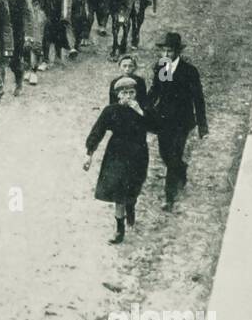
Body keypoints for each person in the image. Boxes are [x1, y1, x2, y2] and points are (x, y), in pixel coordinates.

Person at [82, 75, 150, 244]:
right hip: (117, 154)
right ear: (118, 95)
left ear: (136, 93)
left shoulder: (143, 109)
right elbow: (97, 131)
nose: (128, 96)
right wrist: (89, 154)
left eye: (131, 92)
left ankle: (131, 206)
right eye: (124, 93)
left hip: (138, 153)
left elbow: (156, 126)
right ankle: (120, 230)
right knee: (119, 191)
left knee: (133, 186)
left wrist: (141, 112)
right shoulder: (110, 111)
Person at [147, 32, 208, 212]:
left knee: (173, 157)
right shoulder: (162, 69)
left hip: (182, 122)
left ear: (177, 52)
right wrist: (143, 107)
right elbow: (156, 92)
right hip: (164, 120)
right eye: (164, 51)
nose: (166, 54)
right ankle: (181, 169)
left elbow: (198, 98)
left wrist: (202, 125)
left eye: (170, 51)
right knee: (165, 154)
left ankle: (169, 197)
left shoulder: (189, 71)